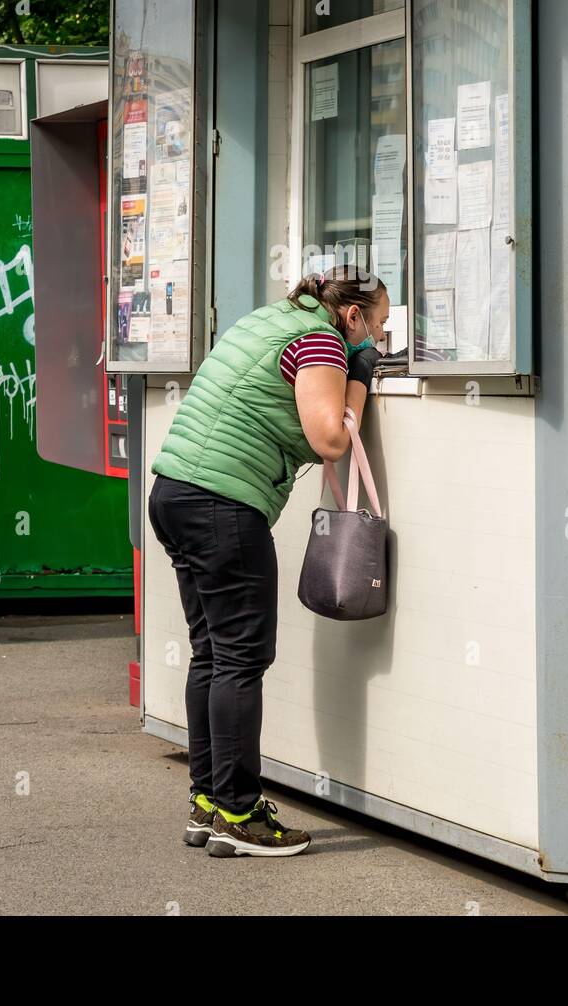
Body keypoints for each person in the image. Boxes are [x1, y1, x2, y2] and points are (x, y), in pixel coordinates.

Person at [147, 263, 389, 858]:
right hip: (221, 506)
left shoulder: (273, 319)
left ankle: (209, 801)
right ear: (352, 313)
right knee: (242, 656)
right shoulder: (320, 341)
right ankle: (238, 812)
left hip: (175, 493)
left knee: (212, 651)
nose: (378, 342)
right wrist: (359, 377)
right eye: (378, 328)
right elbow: (331, 437)